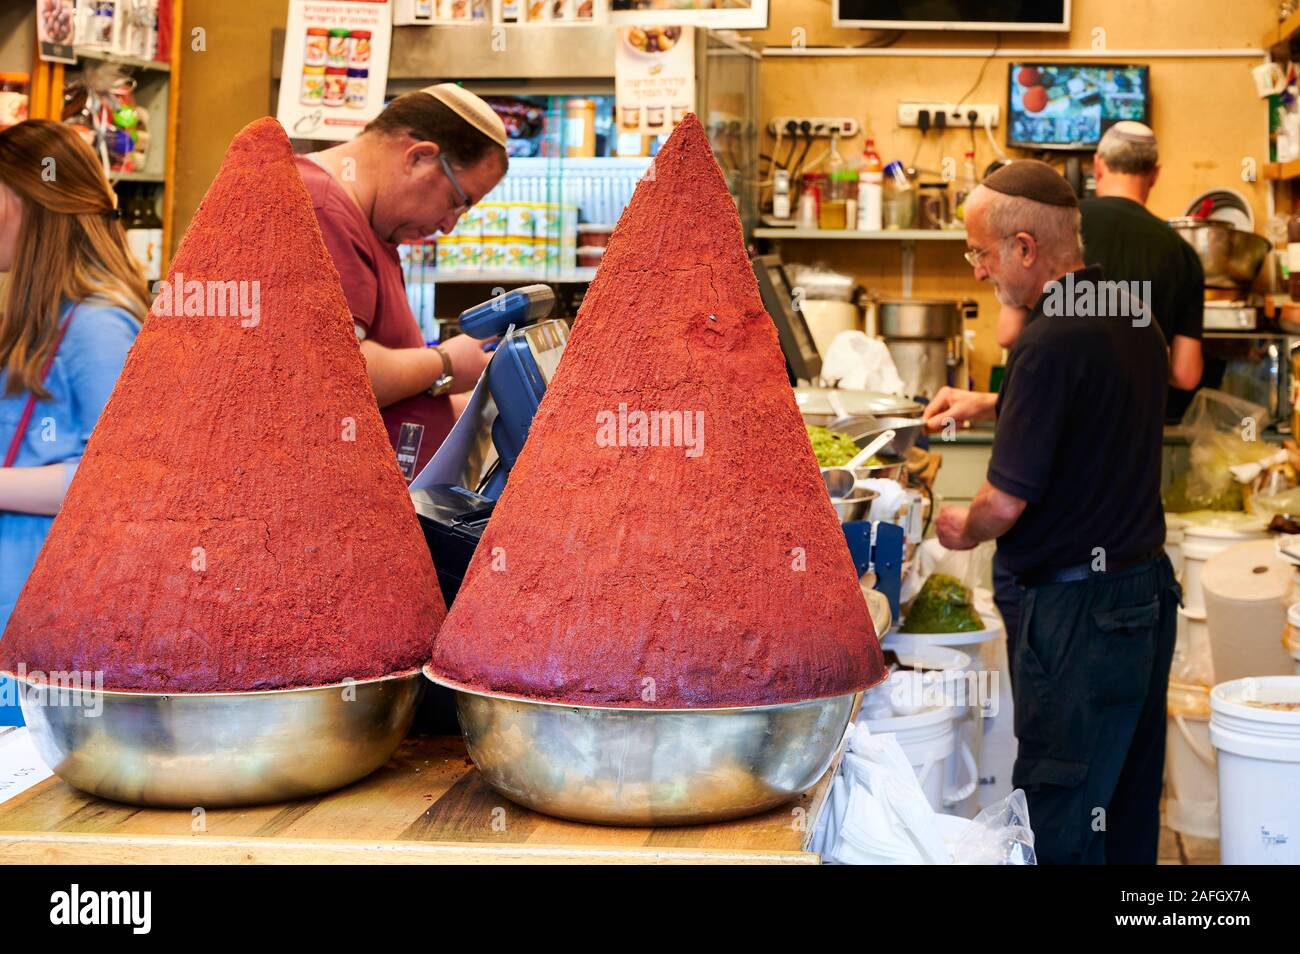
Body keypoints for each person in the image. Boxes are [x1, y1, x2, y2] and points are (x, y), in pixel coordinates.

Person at [931, 160, 1179, 865]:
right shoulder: (1129, 313)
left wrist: (960, 527)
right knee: (1126, 799)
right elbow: (1092, 412)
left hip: (1078, 622)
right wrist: (995, 404)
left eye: (980, 252)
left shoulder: (1043, 344)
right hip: (1142, 597)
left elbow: (1004, 503)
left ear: (1024, 248)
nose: (979, 271)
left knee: (1063, 807)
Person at [0, 121, 147, 724]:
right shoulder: (50, 316)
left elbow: (118, 480)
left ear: (21, 204)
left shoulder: (96, 325)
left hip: (51, 622)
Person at [297, 84, 508, 478]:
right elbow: (334, 374)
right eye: (458, 202)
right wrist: (445, 364)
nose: (448, 226)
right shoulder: (321, 210)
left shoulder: (369, 221)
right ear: (420, 158)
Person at [1084, 121, 1204, 418]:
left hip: (1058, 425)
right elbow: (1186, 374)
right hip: (1136, 433)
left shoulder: (1057, 227)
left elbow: (1009, 333)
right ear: (1155, 174)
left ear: (1097, 166)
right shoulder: (1182, 253)